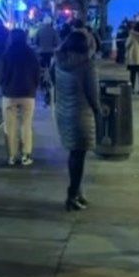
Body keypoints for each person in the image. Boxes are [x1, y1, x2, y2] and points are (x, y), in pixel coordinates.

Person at [55, 31, 99, 211]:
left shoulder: (58, 62)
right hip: (81, 114)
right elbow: (93, 94)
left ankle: (77, 192)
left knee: (74, 153)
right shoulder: (87, 65)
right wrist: (98, 112)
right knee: (79, 156)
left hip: (63, 112)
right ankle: (72, 195)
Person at [0, 29, 41, 166]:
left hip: (10, 93)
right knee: (26, 125)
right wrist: (34, 86)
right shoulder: (31, 54)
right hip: (28, 94)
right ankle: (26, 155)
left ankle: (12, 156)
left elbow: (2, 75)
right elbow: (37, 73)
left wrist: (4, 86)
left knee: (10, 126)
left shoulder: (6, 54)